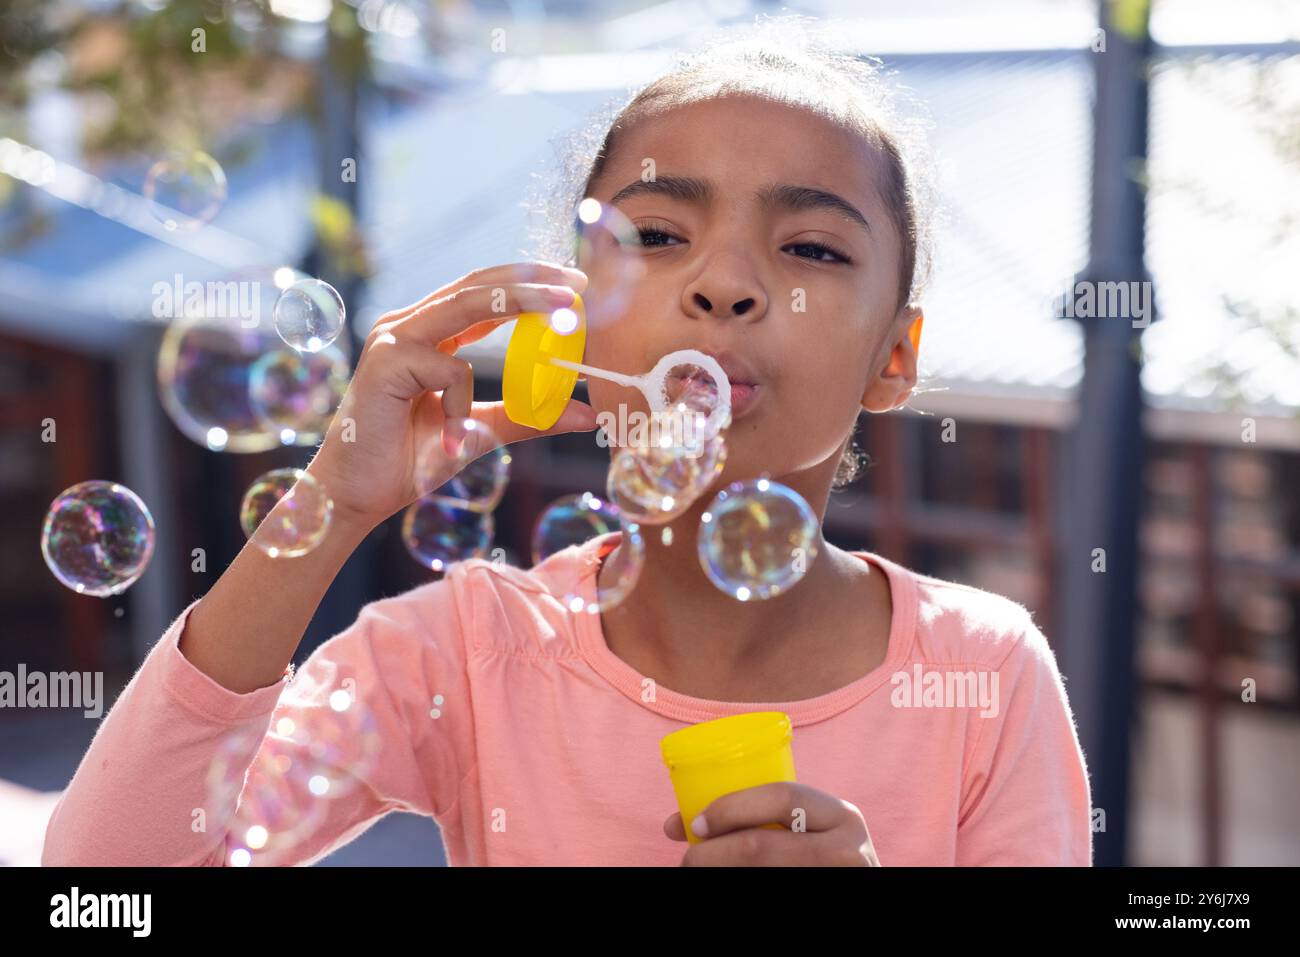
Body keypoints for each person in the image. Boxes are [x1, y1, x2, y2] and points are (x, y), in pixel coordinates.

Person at [43, 15, 1091, 867]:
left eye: (811, 246)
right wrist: (328, 508)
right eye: (657, 236)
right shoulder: (465, 652)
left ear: (891, 360)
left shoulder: (982, 674)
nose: (721, 282)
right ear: (575, 321)